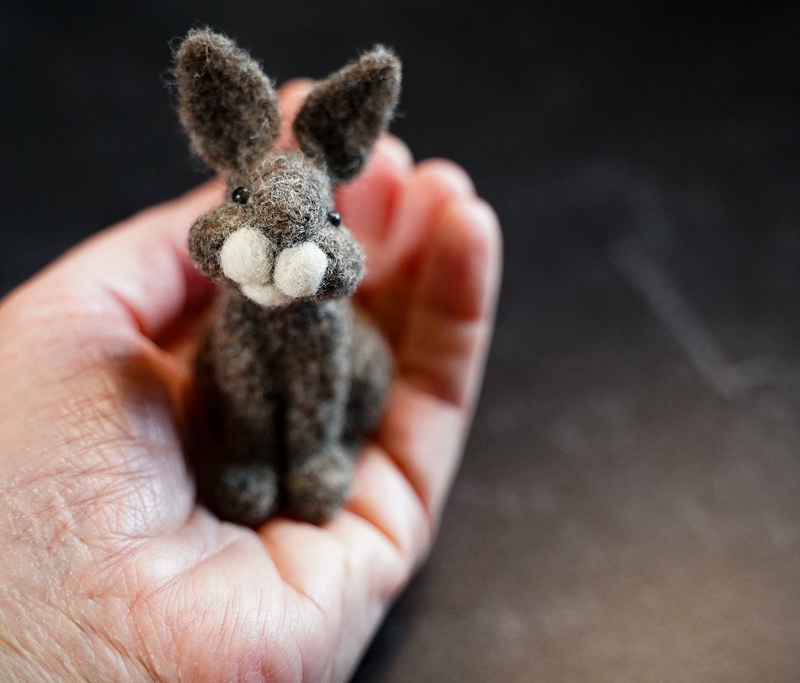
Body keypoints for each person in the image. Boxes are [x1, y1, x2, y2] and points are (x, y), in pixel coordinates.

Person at [0, 79, 502, 682]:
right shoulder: (233, 311)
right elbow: (237, 383)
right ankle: (249, 457)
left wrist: (316, 451)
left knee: (341, 383)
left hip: (335, 392)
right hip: (232, 397)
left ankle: (317, 455)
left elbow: (320, 387)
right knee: (233, 377)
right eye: (244, 205)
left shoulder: (328, 318)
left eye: (327, 218)